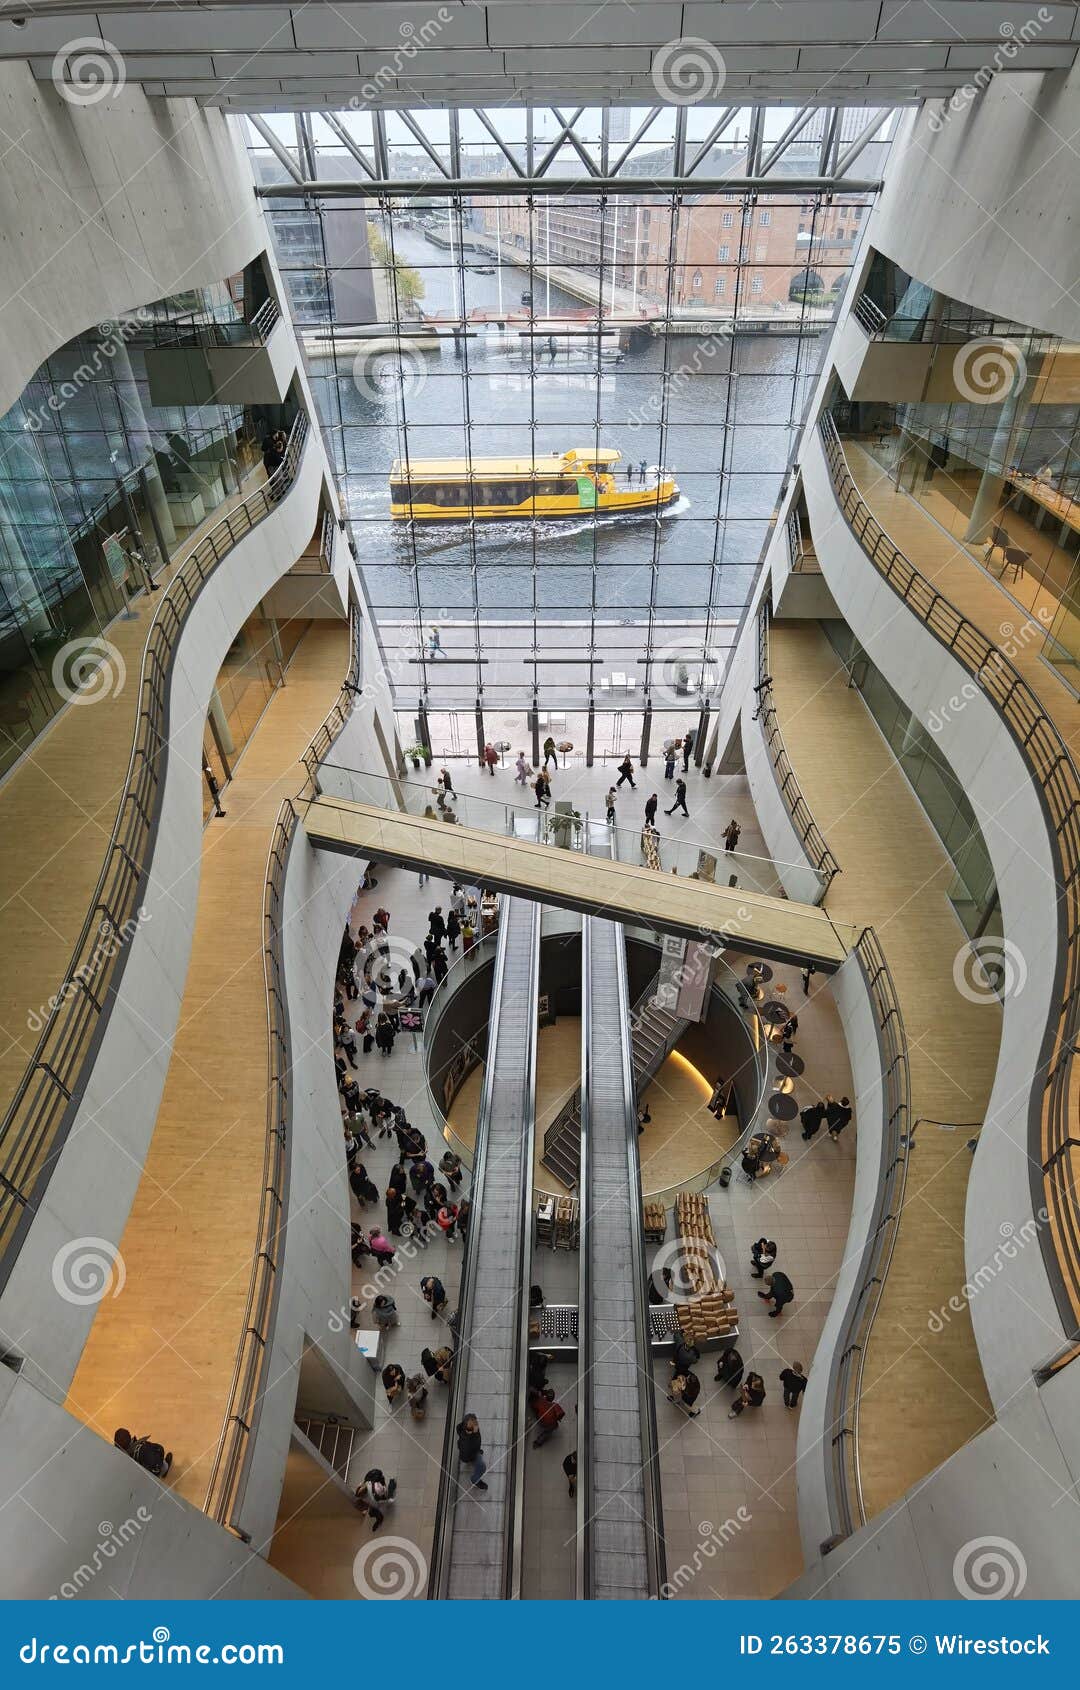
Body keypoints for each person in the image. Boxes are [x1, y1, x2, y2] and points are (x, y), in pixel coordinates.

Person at [457, 1413, 488, 1488]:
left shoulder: (464, 1427)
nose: (477, 1425)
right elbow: (468, 1452)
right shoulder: (468, 1441)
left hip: (473, 1450)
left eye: (476, 1422)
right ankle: (475, 1480)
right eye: (475, 1425)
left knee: (478, 1454)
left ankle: (478, 1452)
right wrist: (475, 1434)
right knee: (482, 1467)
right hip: (469, 1456)